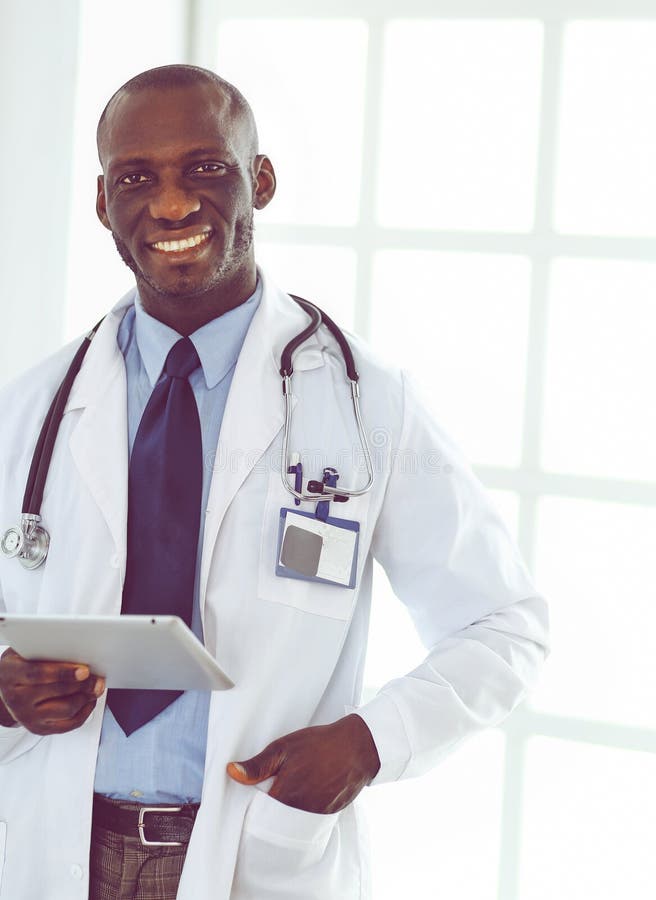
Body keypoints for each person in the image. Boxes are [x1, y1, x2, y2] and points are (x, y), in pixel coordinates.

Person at [0, 64, 548, 900]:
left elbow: (504, 623)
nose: (174, 205)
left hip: (257, 850)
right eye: (137, 178)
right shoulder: (35, 405)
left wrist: (368, 742)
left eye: (207, 168)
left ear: (260, 179)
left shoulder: (370, 403)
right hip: (54, 846)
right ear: (103, 202)